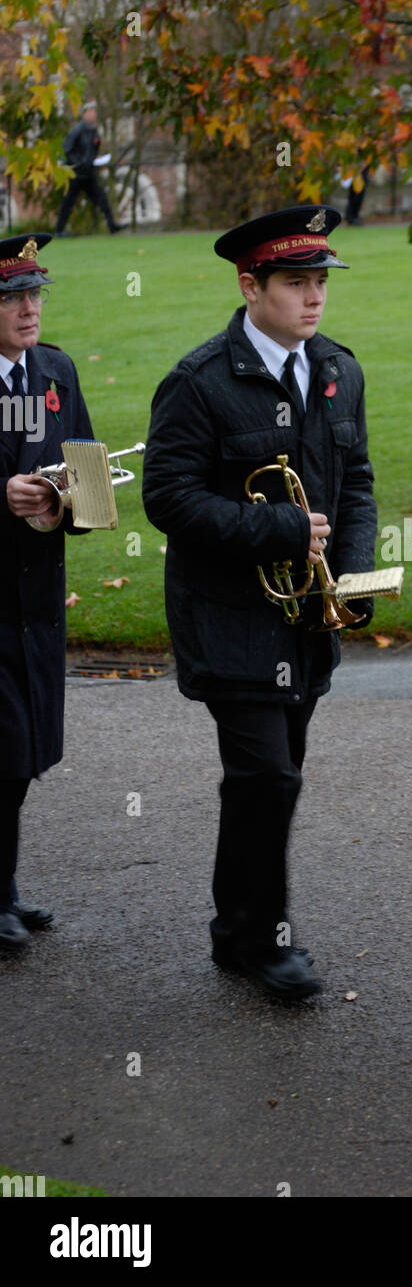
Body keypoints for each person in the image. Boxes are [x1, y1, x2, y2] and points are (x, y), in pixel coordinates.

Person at [141, 206, 377, 1001]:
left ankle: (234, 930)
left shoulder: (341, 369)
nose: (313, 300)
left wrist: (353, 572)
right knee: (268, 776)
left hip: (307, 621)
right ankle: (268, 940)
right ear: (251, 286)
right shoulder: (199, 381)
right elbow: (167, 499)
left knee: (272, 780)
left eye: (319, 284)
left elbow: (359, 484)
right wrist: (275, 526)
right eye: (295, 284)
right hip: (229, 618)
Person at [0, 234, 95, 952]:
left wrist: (66, 501)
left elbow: (88, 486)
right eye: (11, 298)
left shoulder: (56, 369)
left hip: (36, 599)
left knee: (26, 751)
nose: (29, 308)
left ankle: (3, 890)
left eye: (34, 293)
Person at [54, 103, 124, 238]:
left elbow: (93, 149)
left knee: (102, 198)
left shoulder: (93, 131)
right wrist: (78, 163)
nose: (94, 114)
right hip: (76, 173)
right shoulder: (77, 130)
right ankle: (59, 230)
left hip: (88, 173)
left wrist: (95, 159)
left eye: (95, 111)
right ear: (85, 113)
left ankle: (112, 225)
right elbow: (67, 149)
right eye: (92, 111)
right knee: (68, 201)